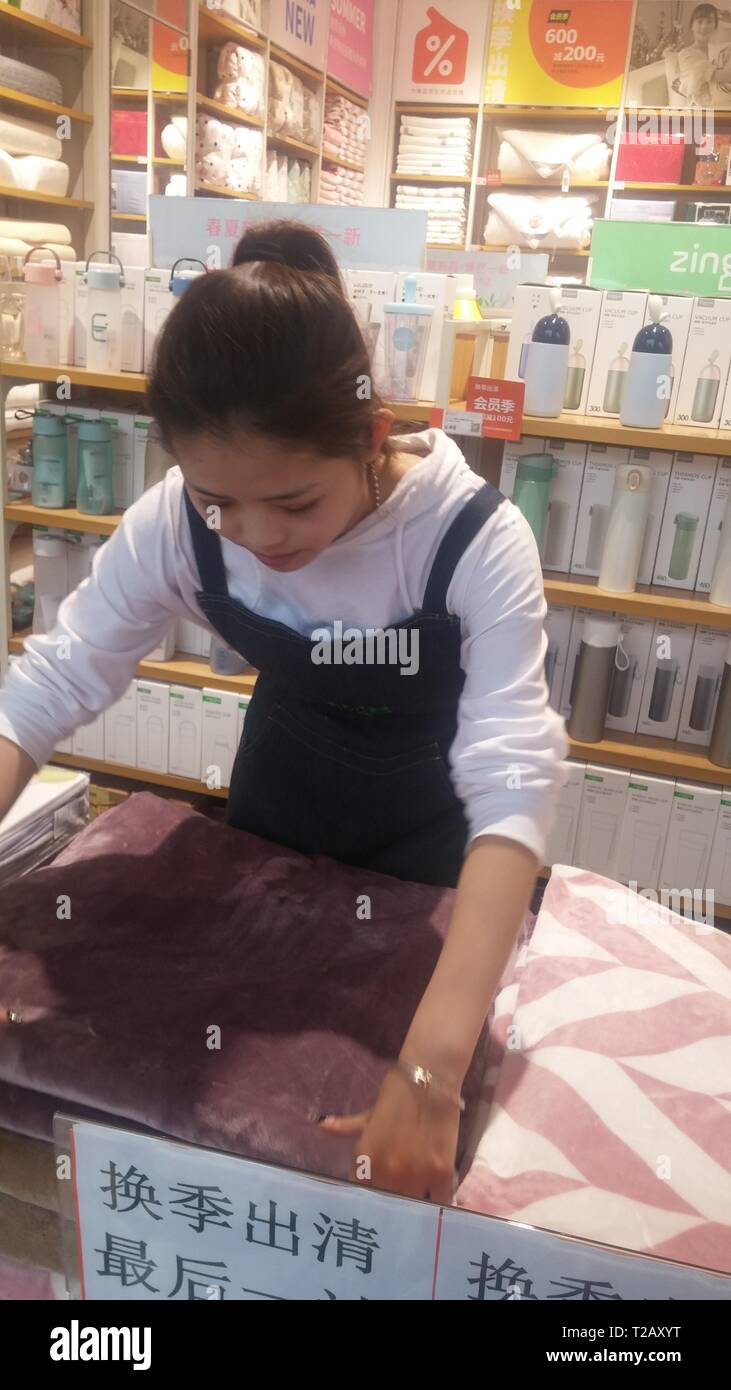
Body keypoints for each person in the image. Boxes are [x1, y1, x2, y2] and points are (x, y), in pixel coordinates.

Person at [0, 222, 566, 1202]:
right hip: (271, 818)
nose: (257, 536)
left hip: (438, 856)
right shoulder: (177, 520)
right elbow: (53, 680)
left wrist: (429, 1071)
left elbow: (510, 780)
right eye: (222, 503)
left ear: (370, 437)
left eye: (296, 503)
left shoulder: (470, 538)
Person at [674, 3, 731, 105]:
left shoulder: (719, 51)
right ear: (692, 25)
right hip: (703, 110)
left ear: (715, 26)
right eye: (699, 22)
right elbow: (722, 76)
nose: (704, 26)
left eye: (709, 22)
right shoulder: (686, 54)